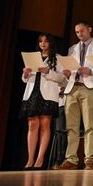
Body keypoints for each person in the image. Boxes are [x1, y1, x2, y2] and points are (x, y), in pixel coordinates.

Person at [57, 21, 93, 170]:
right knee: (72, 127)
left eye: (82, 31)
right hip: (72, 88)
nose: (80, 34)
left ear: (89, 29)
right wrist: (66, 72)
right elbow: (68, 67)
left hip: (88, 86)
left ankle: (89, 158)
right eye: (77, 32)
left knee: (89, 124)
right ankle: (71, 158)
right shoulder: (72, 49)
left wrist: (91, 71)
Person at [21, 33, 67, 170]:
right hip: (32, 93)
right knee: (32, 125)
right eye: (40, 41)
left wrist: (48, 72)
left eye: (46, 41)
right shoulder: (33, 57)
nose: (43, 44)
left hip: (47, 94)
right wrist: (25, 73)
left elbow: (62, 79)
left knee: (44, 125)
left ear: (50, 43)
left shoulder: (57, 58)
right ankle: (30, 159)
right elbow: (24, 79)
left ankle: (40, 158)